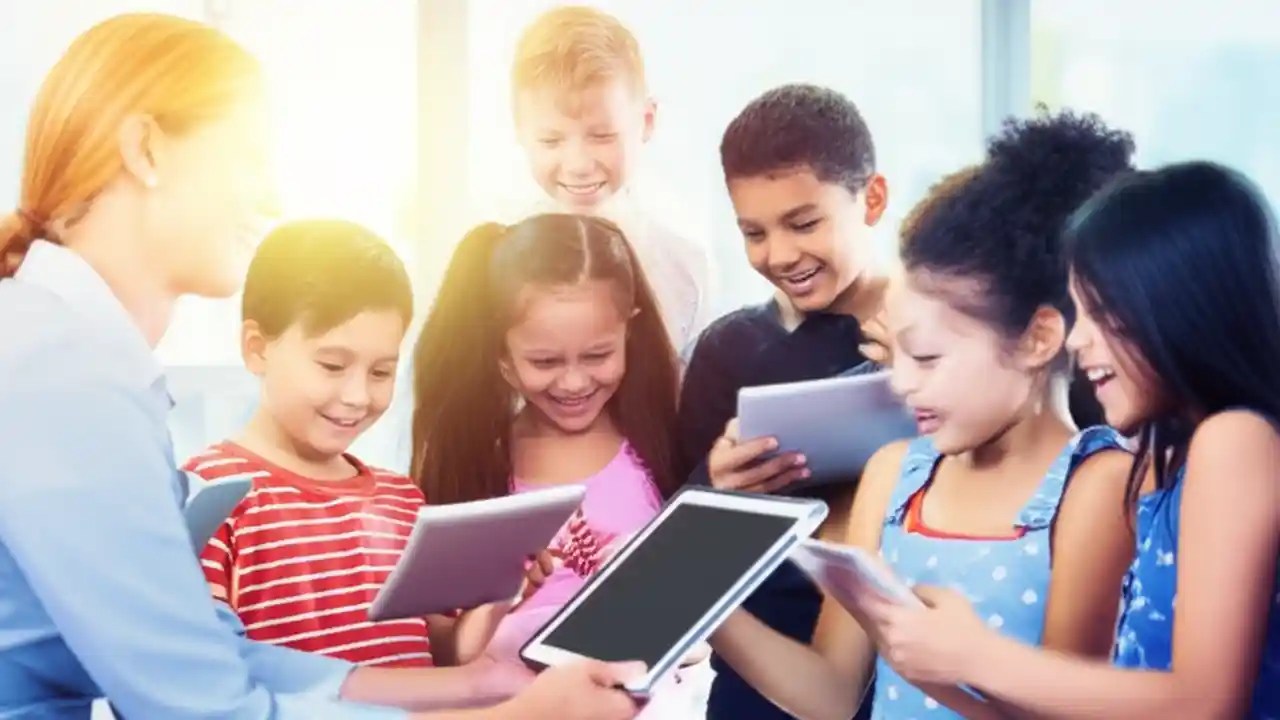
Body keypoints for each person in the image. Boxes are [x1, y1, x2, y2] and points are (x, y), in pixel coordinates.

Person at [0, 13, 640, 719]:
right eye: (248, 159)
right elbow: (204, 709)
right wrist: (514, 718)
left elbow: (221, 657)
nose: (269, 198)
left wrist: (480, 685)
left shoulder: (63, 353)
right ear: (147, 148)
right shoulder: (64, 374)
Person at [708, 111, 1138, 719]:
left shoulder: (1095, 487)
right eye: (898, 353)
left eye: (928, 357)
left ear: (1039, 339)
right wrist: (704, 608)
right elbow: (830, 697)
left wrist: (955, 663)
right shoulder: (895, 475)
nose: (902, 383)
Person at [863, 161, 1280, 719]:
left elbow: (1203, 704)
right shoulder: (1172, 463)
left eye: (1101, 313)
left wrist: (977, 654)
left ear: (1178, 303)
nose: (1078, 341)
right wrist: (941, 669)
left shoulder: (1234, 440)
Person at [676, 83, 892, 720]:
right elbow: (675, 543)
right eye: (753, 232)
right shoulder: (729, 352)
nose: (779, 255)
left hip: (911, 681)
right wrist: (715, 487)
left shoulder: (949, 335)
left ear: (871, 199)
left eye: (803, 223)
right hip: (758, 685)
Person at [408, 214, 679, 668]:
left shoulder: (664, 439)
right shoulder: (470, 462)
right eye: (545, 360)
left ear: (629, 330)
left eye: (598, 355)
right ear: (502, 355)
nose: (573, 382)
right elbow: (437, 644)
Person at [187, 220, 444, 667]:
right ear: (257, 348)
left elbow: (445, 662)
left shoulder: (404, 501)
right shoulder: (208, 493)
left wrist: (499, 592)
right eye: (331, 365)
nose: (358, 396)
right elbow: (211, 676)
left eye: (381, 372)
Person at [507, 5, 713, 355]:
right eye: (550, 141)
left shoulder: (684, 266)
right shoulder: (495, 260)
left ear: (646, 121)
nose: (578, 165)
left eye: (602, 136)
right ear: (519, 131)